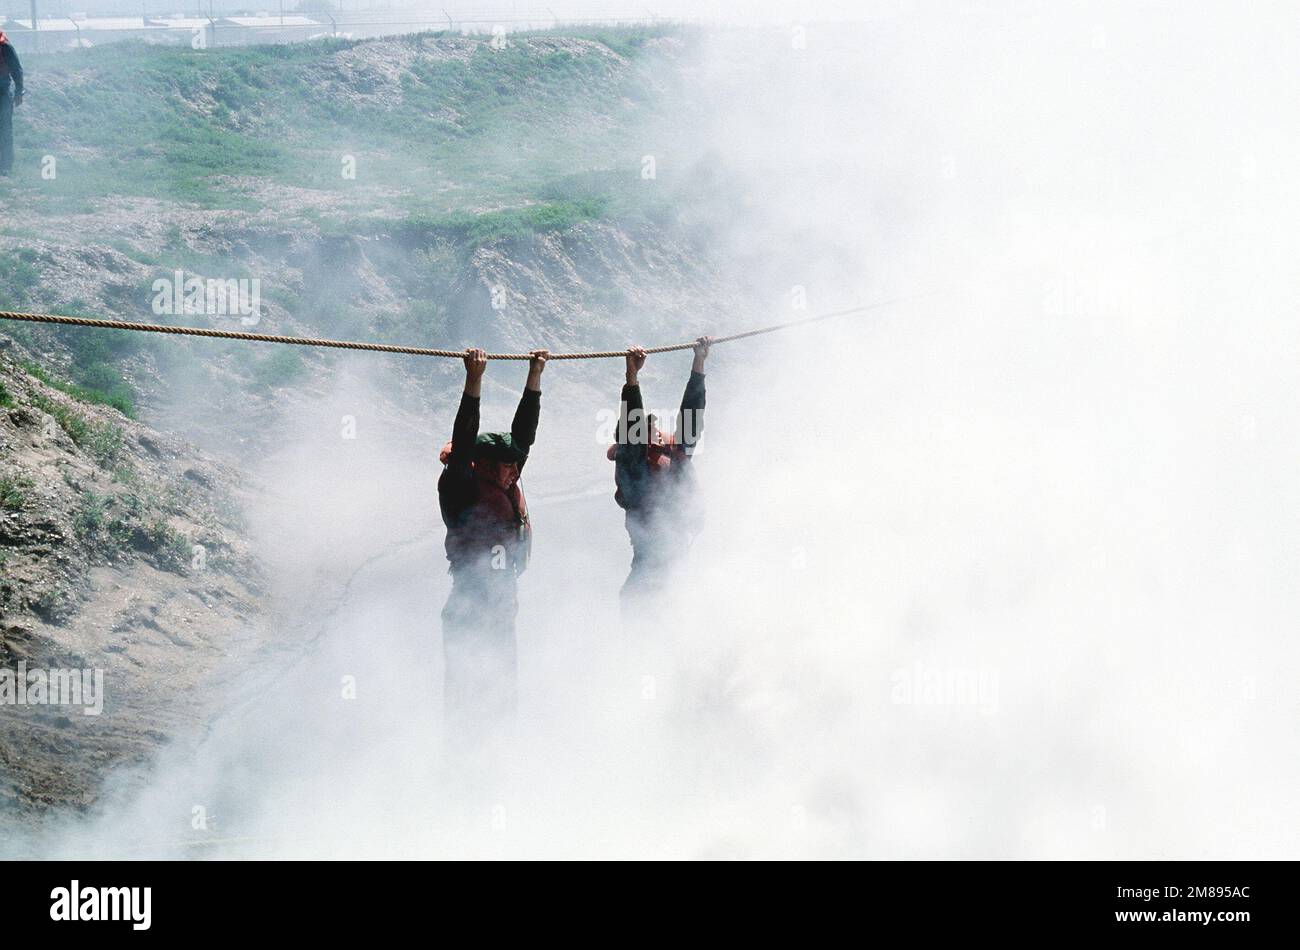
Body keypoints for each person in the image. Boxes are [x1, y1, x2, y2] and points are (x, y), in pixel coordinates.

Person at [437, 346, 547, 744]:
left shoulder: (505, 478)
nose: (515, 469)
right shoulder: (462, 488)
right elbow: (464, 440)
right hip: (470, 611)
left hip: (501, 610)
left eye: (515, 465)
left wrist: (535, 376)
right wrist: (474, 380)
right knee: (467, 699)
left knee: (501, 698)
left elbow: (525, 437)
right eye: (506, 464)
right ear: (483, 465)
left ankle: (497, 769)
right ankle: (462, 772)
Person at [608, 337, 711, 606]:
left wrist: (698, 362)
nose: (654, 429)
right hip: (653, 562)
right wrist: (631, 377)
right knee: (644, 602)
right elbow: (632, 422)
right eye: (646, 427)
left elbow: (692, 415)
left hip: (674, 559)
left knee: (663, 602)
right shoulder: (632, 466)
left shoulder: (673, 455)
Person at [0, 31, 23, 178]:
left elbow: (16, 69)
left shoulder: (5, 47)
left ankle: (6, 165)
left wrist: (19, 92)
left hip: (2, 93)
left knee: (5, 129)